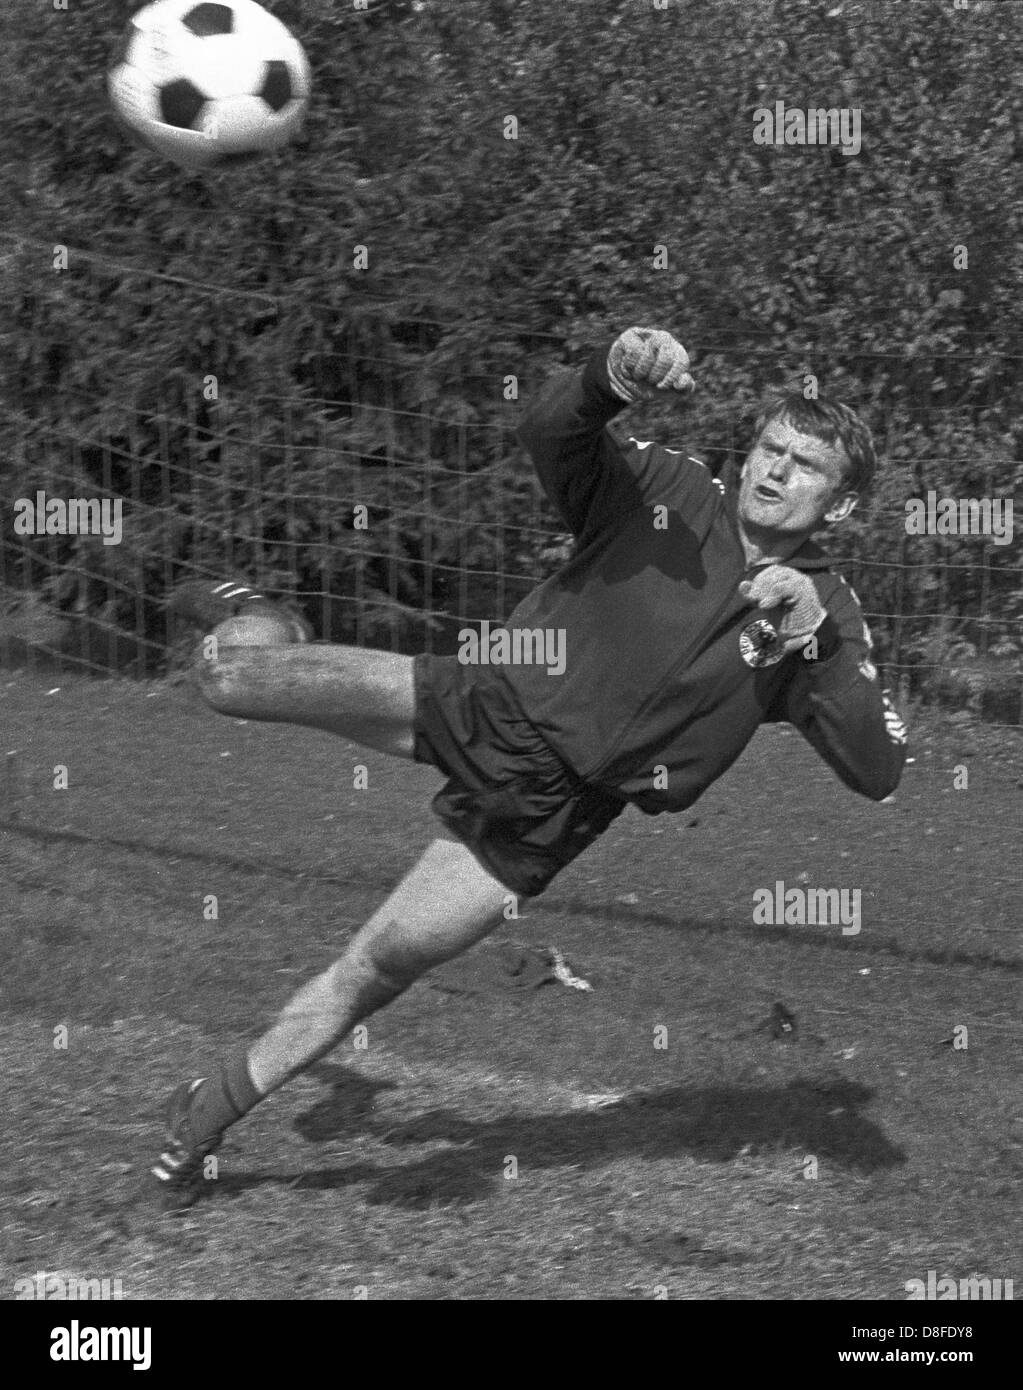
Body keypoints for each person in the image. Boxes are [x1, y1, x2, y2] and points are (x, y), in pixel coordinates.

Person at [151, 326, 907, 1211]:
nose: (773, 472)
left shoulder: (829, 617)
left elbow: (877, 767)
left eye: (803, 465)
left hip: (558, 811)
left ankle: (207, 1110)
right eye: (767, 450)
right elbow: (551, 434)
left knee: (382, 964)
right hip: (487, 703)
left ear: (842, 506)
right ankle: (265, 618)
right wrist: (609, 375)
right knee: (223, 675)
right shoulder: (668, 488)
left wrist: (809, 636)